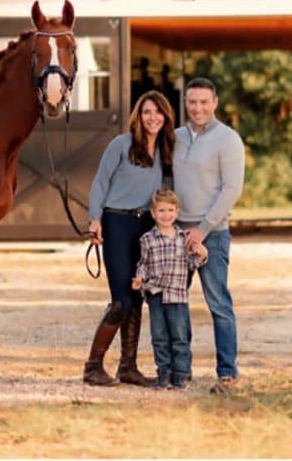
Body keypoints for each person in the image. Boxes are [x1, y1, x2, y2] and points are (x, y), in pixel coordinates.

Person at [83, 90, 176, 387]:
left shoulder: (165, 149)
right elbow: (100, 182)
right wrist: (95, 219)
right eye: (147, 112)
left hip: (146, 225)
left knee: (137, 297)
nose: (153, 118)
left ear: (166, 117)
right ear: (138, 115)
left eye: (159, 112)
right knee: (121, 300)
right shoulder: (121, 145)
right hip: (117, 222)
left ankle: (128, 367)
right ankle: (92, 367)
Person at [173, 76, 245, 394]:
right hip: (175, 234)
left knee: (218, 304)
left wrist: (202, 230)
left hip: (211, 234)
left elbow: (232, 189)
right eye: (192, 102)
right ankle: (179, 370)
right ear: (185, 103)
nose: (198, 108)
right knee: (174, 303)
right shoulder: (174, 137)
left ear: (214, 102)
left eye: (204, 102)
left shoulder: (228, 140)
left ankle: (227, 372)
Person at [132, 187, 207, 390]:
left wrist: (202, 254)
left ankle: (181, 374)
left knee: (180, 337)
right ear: (153, 213)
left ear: (177, 212)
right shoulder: (147, 239)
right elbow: (144, 263)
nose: (166, 215)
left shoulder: (184, 239)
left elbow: (192, 264)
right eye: (161, 211)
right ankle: (163, 374)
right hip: (156, 295)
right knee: (159, 337)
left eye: (170, 210)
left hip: (177, 296)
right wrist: (140, 278)